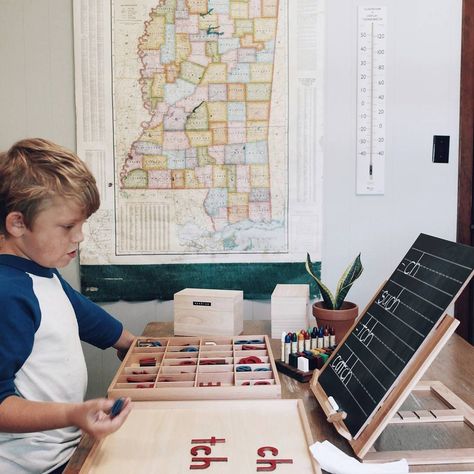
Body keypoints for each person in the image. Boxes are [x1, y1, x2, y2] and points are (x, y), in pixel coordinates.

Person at [0, 138, 135, 473]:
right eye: (67, 227)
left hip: (64, 449)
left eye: (82, 225)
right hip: (31, 466)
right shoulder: (7, 294)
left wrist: (130, 343)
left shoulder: (41, 272)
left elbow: (80, 313)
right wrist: (71, 413)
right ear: (17, 224)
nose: (80, 237)